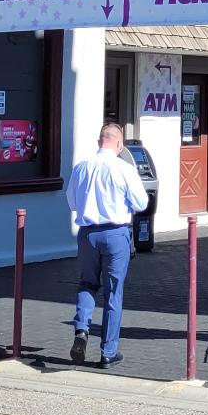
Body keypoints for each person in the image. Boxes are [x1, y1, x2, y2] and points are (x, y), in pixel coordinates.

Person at [66, 123, 149, 367]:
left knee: (87, 283)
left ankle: (81, 330)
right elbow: (141, 202)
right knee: (114, 292)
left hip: (88, 234)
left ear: (99, 141)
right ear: (119, 144)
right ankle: (108, 351)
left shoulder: (81, 167)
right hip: (115, 234)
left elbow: (72, 202)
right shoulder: (124, 168)